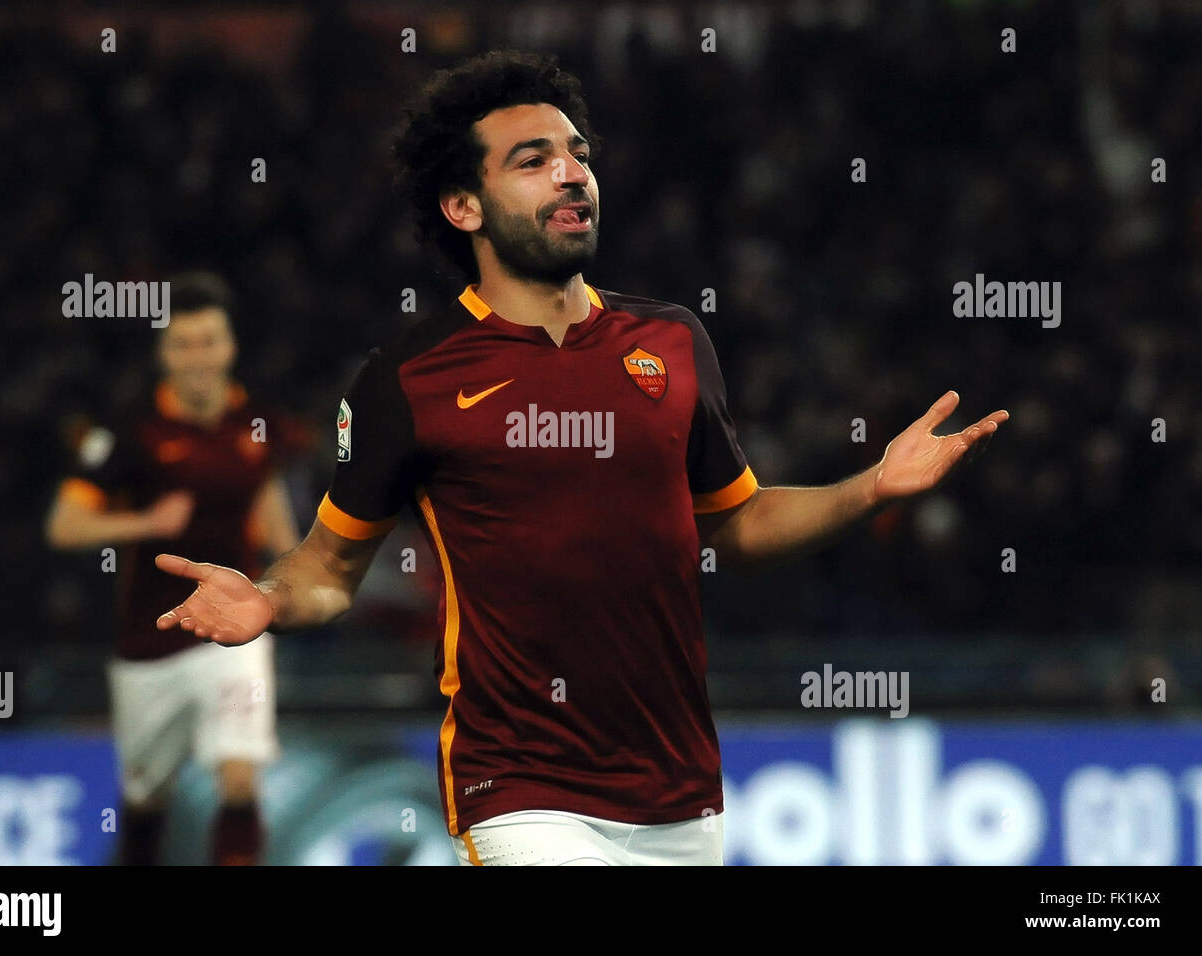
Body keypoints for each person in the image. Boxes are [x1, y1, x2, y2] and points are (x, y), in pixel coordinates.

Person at [154, 51, 1008, 866]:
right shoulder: (408, 380)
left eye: (578, 153)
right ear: (463, 207)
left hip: (678, 789)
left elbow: (739, 523)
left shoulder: (671, 341)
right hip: (519, 784)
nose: (572, 173)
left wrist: (871, 487)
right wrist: (266, 597)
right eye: (533, 160)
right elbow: (333, 569)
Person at [46, 271, 307, 865]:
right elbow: (64, 525)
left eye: (209, 340)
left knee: (240, 778)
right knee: (145, 797)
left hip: (232, 629)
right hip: (151, 639)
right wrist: (144, 525)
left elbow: (276, 524)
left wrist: (291, 587)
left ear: (230, 346)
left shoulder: (259, 424)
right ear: (164, 354)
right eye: (183, 344)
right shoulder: (129, 431)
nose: (198, 356)